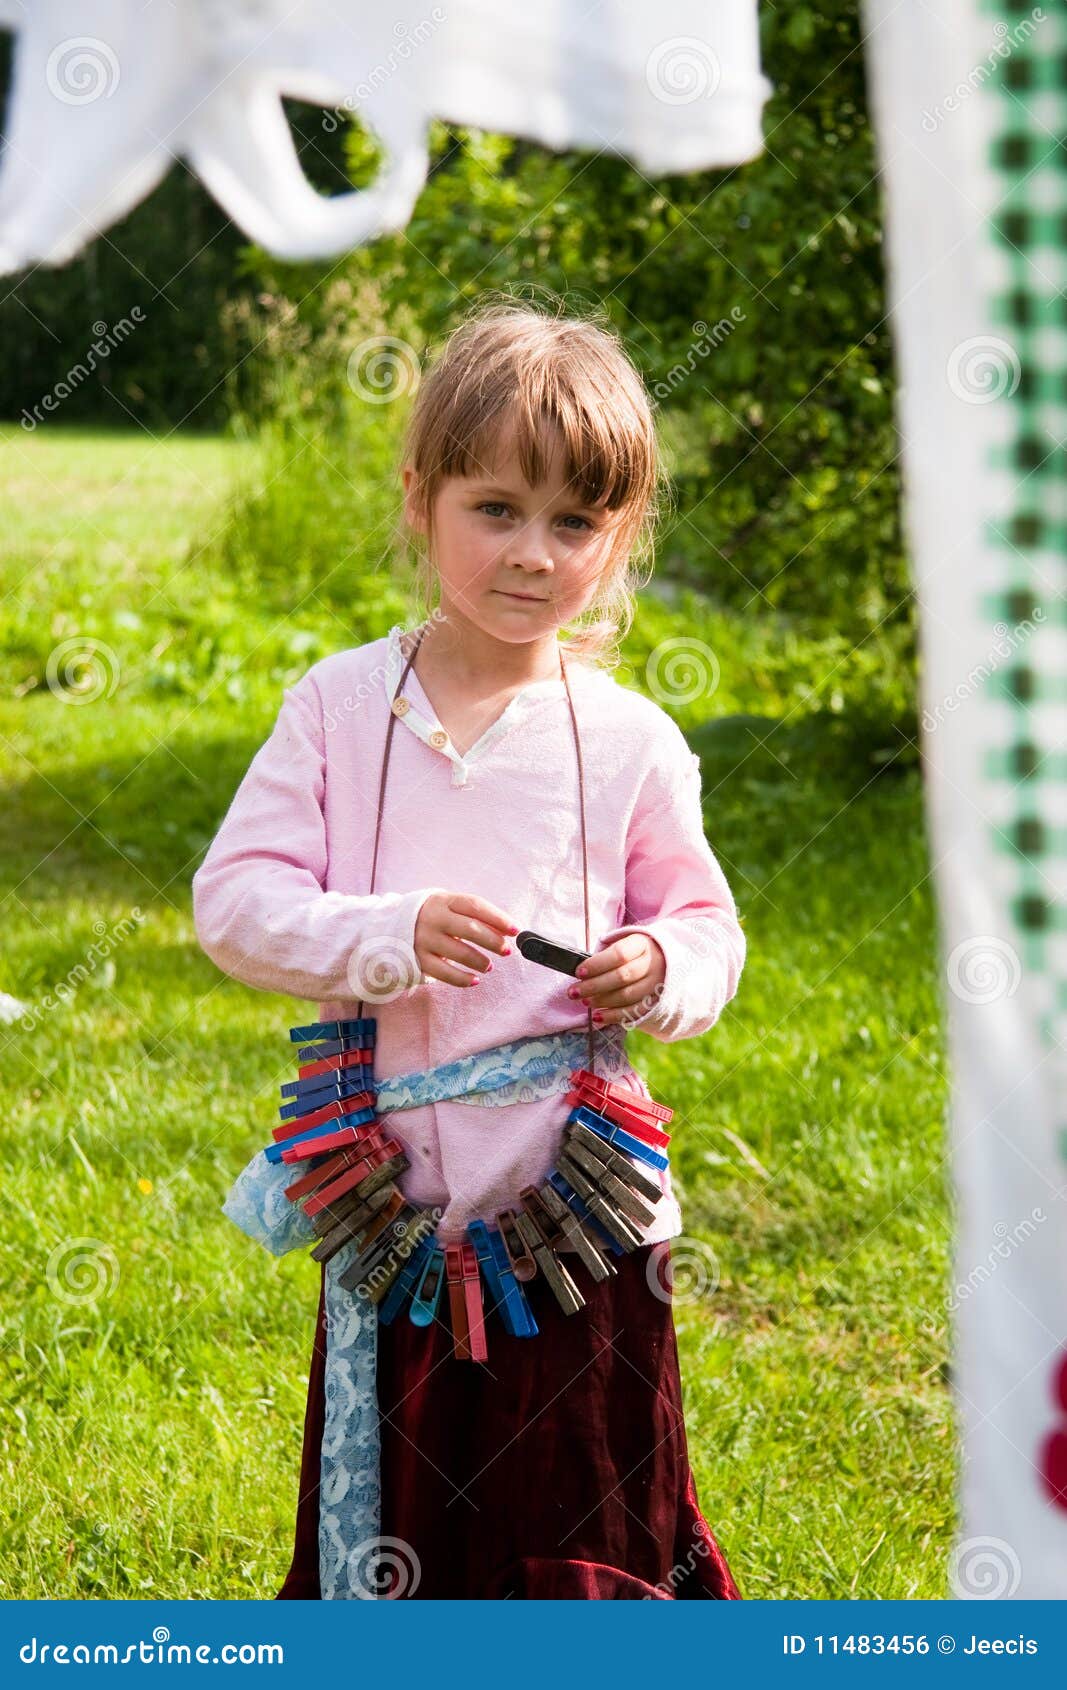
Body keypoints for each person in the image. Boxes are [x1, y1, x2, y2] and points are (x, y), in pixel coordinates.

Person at [191, 296, 747, 1600]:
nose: (534, 553)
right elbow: (236, 902)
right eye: (496, 508)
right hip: (391, 1224)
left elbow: (710, 927)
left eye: (577, 522)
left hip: (584, 1233)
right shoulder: (338, 706)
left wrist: (662, 963)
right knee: (399, 1528)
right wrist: (383, 933)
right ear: (421, 496)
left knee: (580, 1521)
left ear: (622, 537)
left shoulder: (629, 742)